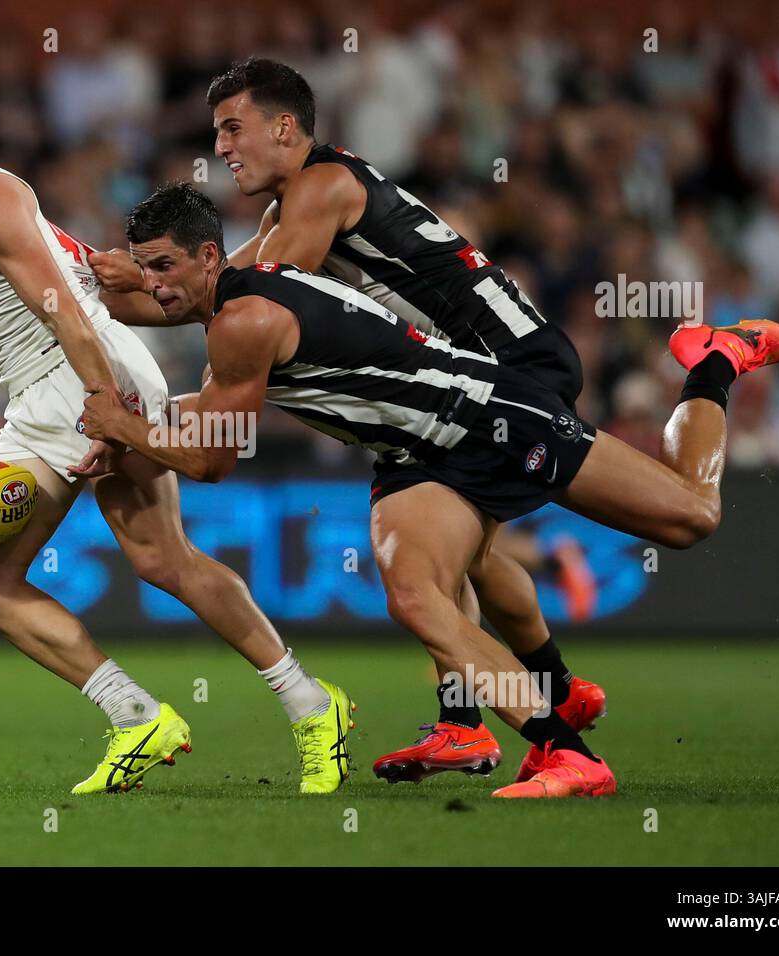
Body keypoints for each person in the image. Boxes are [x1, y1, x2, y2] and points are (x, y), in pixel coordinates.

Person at [79, 182, 779, 798]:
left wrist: (121, 423)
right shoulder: (238, 291)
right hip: (417, 451)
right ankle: (564, 748)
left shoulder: (246, 321)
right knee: (419, 594)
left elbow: (210, 463)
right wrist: (85, 277)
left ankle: (712, 363)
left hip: (487, 417)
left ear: (209, 257)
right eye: (146, 270)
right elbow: (163, 327)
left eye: (165, 266)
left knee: (689, 517)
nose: (158, 284)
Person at [0, 42, 354, 795]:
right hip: (36, 393)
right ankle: (195, 711)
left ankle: (287, 708)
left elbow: (66, 310)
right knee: (129, 565)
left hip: (88, 367)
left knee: (48, 569)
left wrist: (104, 410)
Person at [91, 57, 604, 785]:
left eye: (233, 129)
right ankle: (536, 700)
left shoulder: (318, 189)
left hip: (495, 371)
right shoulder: (285, 212)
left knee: (460, 565)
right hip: (459, 384)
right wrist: (103, 279)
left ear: (285, 127)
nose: (224, 147)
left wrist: (171, 406)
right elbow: (205, 296)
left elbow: (251, 312)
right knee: (465, 562)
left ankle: (539, 719)